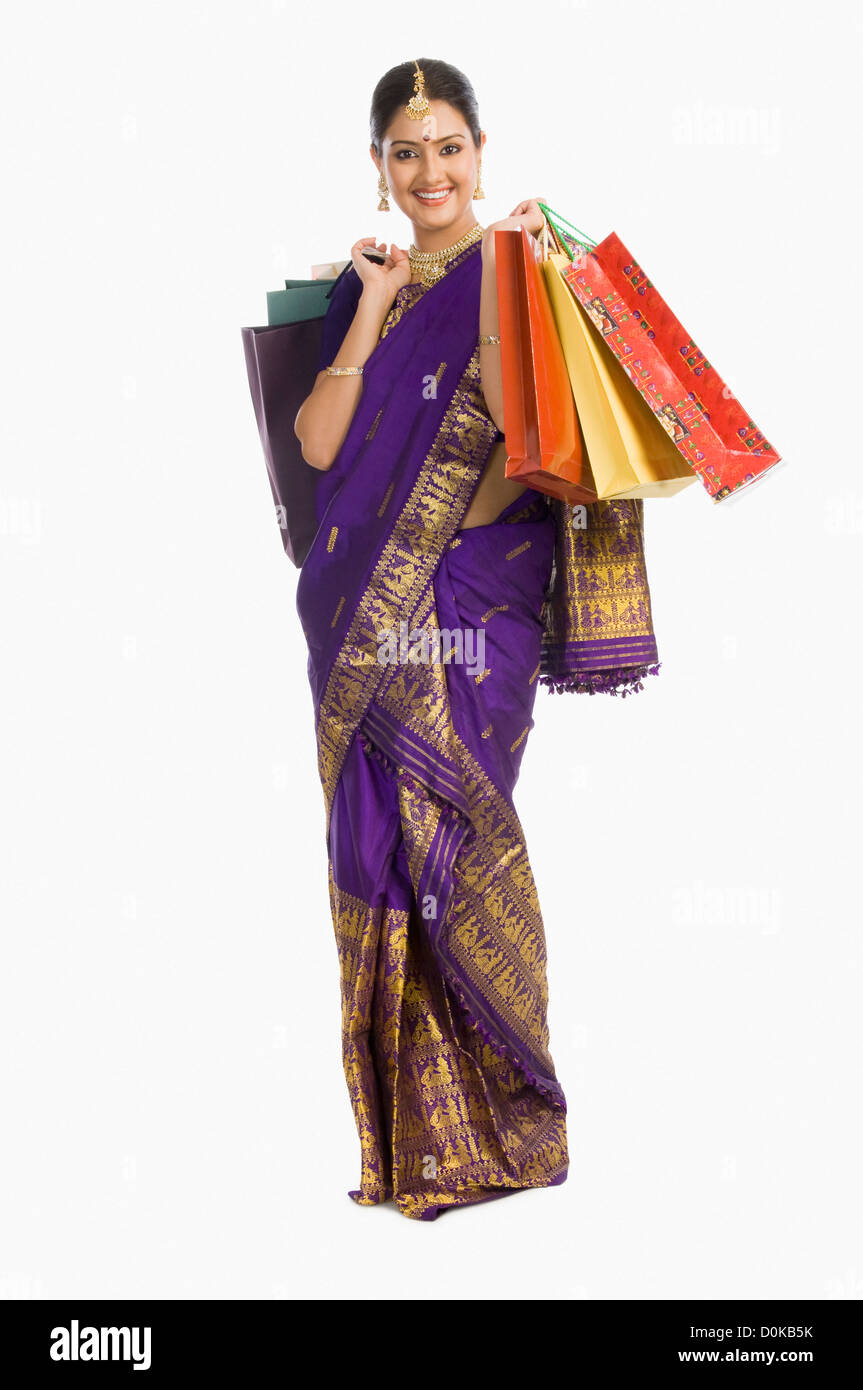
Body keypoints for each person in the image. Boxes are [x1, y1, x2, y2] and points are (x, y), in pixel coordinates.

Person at [292, 58, 660, 1221]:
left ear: (480, 150)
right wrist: (363, 304)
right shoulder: (362, 287)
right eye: (406, 152)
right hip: (359, 618)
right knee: (376, 856)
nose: (429, 170)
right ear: (378, 167)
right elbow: (316, 448)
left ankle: (504, 1115)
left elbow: (525, 428)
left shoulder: (519, 274)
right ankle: (411, 1139)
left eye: (447, 146)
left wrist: (510, 286)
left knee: (465, 838)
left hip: (472, 611)